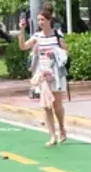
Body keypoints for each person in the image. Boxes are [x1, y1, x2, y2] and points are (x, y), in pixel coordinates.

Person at [21, 8, 68, 146]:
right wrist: (22, 30)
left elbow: (66, 52)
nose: (40, 22)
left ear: (49, 20)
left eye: (42, 19)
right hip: (43, 75)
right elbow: (23, 46)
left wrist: (54, 53)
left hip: (57, 74)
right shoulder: (37, 36)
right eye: (38, 20)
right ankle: (52, 136)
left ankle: (62, 128)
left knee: (57, 105)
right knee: (46, 106)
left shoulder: (57, 35)